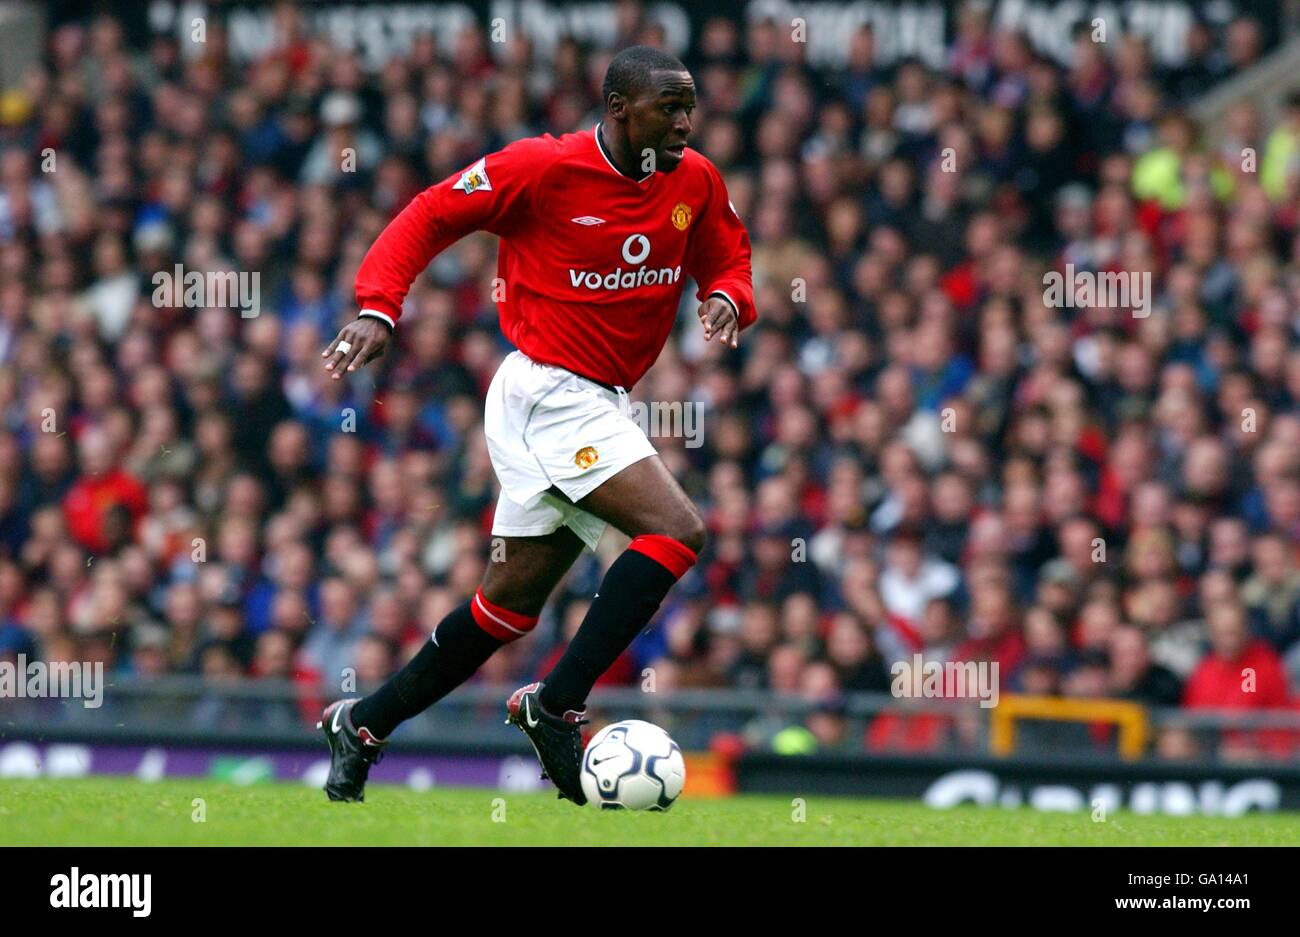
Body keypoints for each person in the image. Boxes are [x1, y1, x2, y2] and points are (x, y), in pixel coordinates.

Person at [316, 46, 754, 804]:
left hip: (599, 399)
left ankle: (362, 723)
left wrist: (727, 295)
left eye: (690, 106)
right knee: (679, 531)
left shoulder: (696, 180)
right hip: (548, 391)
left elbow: (727, 253)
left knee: (507, 608)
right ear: (620, 108)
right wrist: (379, 305)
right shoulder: (542, 169)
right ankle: (555, 704)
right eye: (669, 107)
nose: (685, 121)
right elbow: (431, 211)